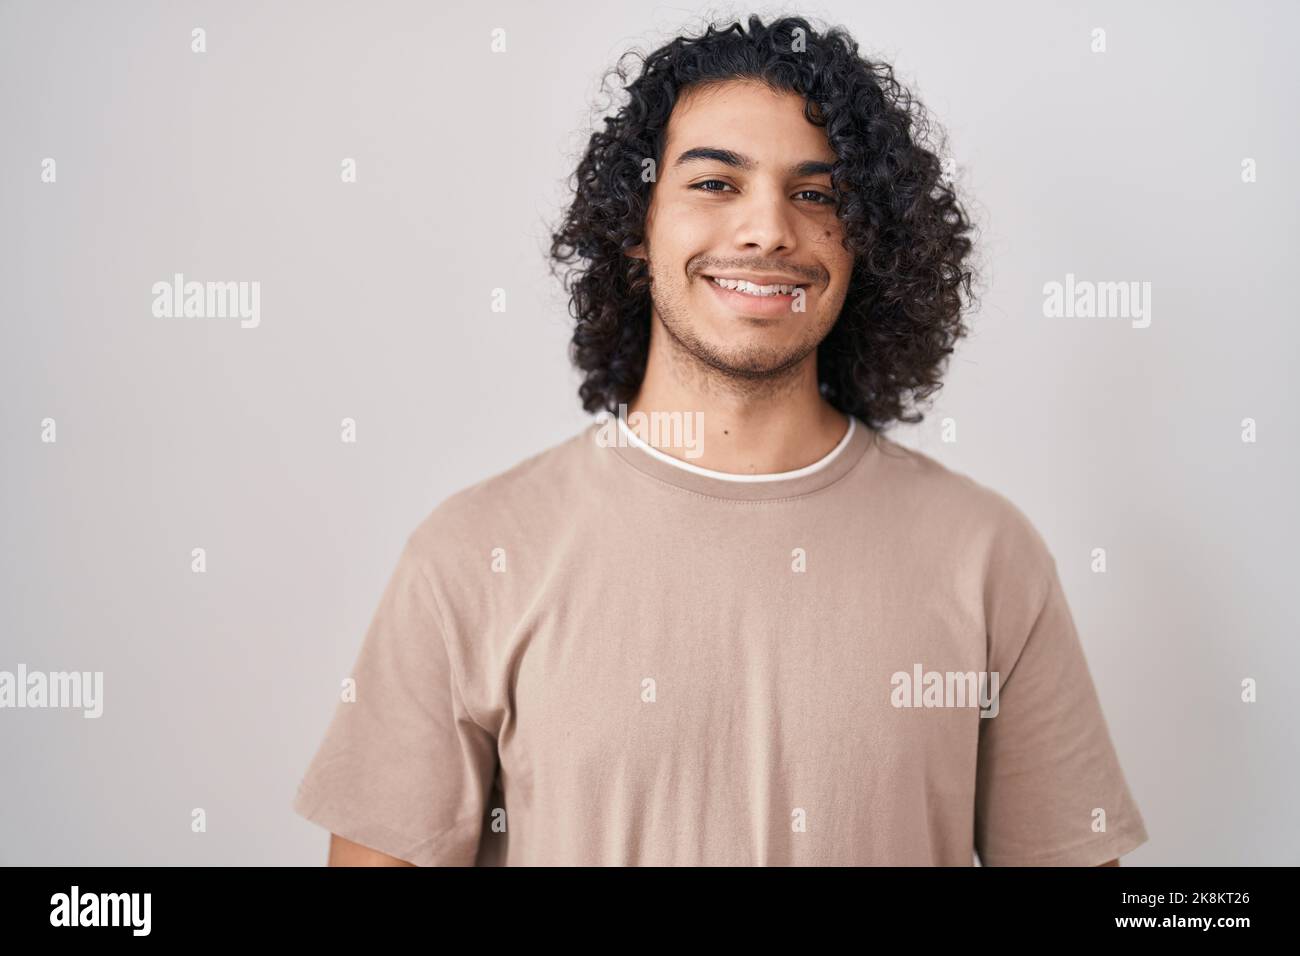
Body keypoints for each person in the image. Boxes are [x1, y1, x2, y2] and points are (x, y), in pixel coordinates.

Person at [291, 14, 1148, 866]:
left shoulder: (988, 556)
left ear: (867, 244)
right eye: (714, 183)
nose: (769, 229)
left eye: (815, 195)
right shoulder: (474, 554)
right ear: (638, 224)